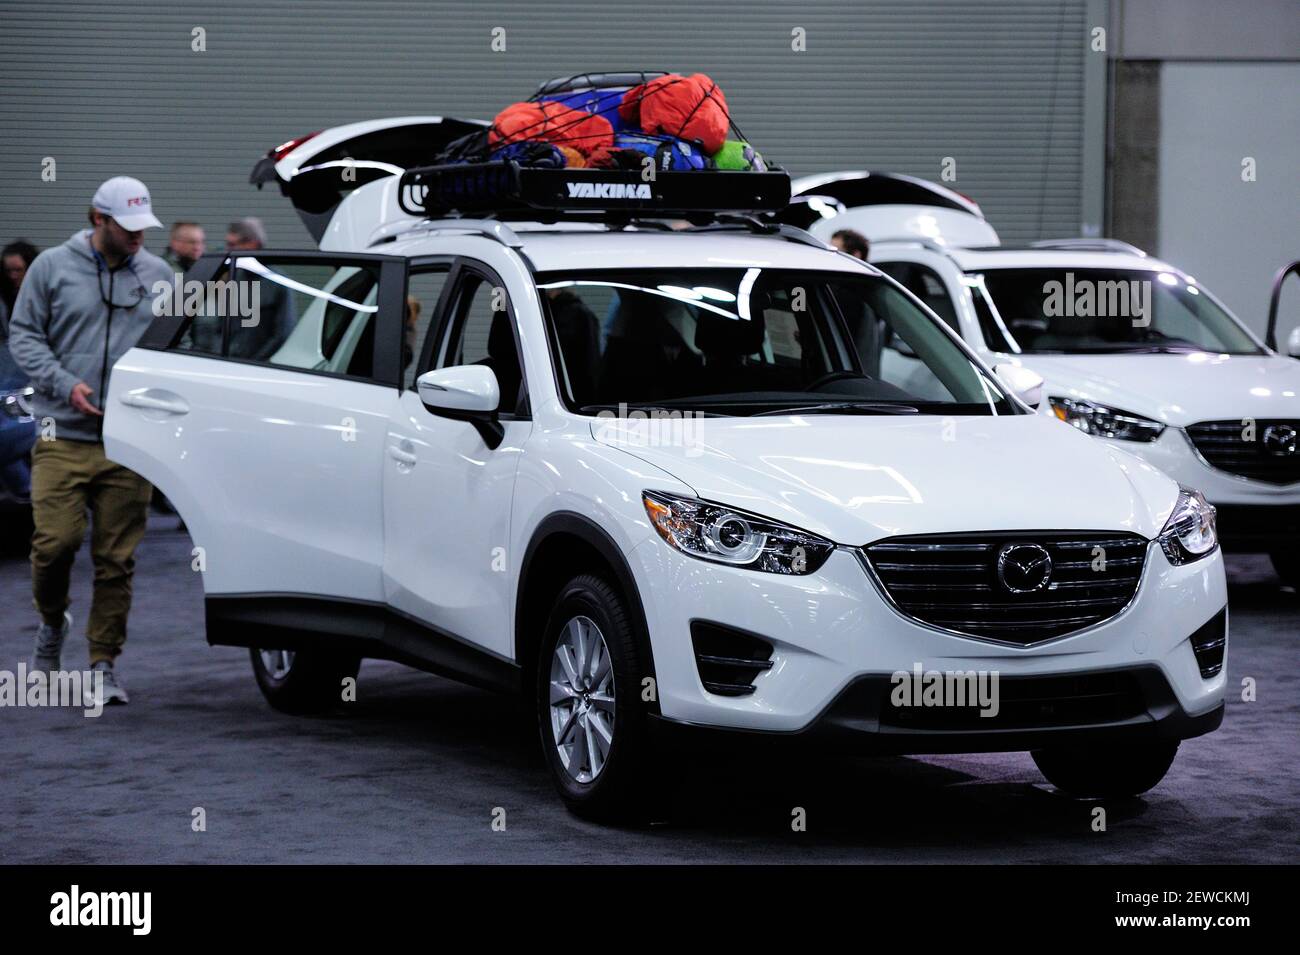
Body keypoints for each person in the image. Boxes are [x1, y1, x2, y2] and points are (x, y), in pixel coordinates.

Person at [7, 176, 173, 705]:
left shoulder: (158, 274)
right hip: (62, 433)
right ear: (98, 220)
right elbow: (24, 336)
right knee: (54, 545)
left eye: (144, 228)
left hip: (129, 439)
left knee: (116, 558)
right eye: (128, 228)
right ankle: (52, 623)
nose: (138, 238)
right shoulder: (51, 267)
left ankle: (103, 664)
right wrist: (64, 383)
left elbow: (171, 347)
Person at [224, 217, 295, 360]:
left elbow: (283, 333)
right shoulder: (233, 277)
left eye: (232, 245)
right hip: (229, 362)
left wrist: (256, 361)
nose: (228, 250)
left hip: (261, 365)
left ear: (252, 244)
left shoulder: (277, 281)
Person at [1, 240, 40, 383]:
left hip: (35, 362)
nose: (13, 276)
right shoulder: (5, 295)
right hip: (9, 363)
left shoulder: (43, 294)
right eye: (8, 271)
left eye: (18, 270)